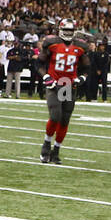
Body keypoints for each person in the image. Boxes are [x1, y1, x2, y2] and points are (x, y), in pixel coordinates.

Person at [36, 19, 89, 164]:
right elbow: (38, 63)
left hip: (69, 85)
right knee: (55, 116)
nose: (67, 33)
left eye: (70, 31)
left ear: (74, 32)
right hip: (55, 84)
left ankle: (56, 151)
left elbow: (86, 68)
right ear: (60, 30)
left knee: (65, 120)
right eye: (66, 30)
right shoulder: (51, 43)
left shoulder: (81, 47)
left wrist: (81, 78)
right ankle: (46, 145)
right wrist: (46, 76)